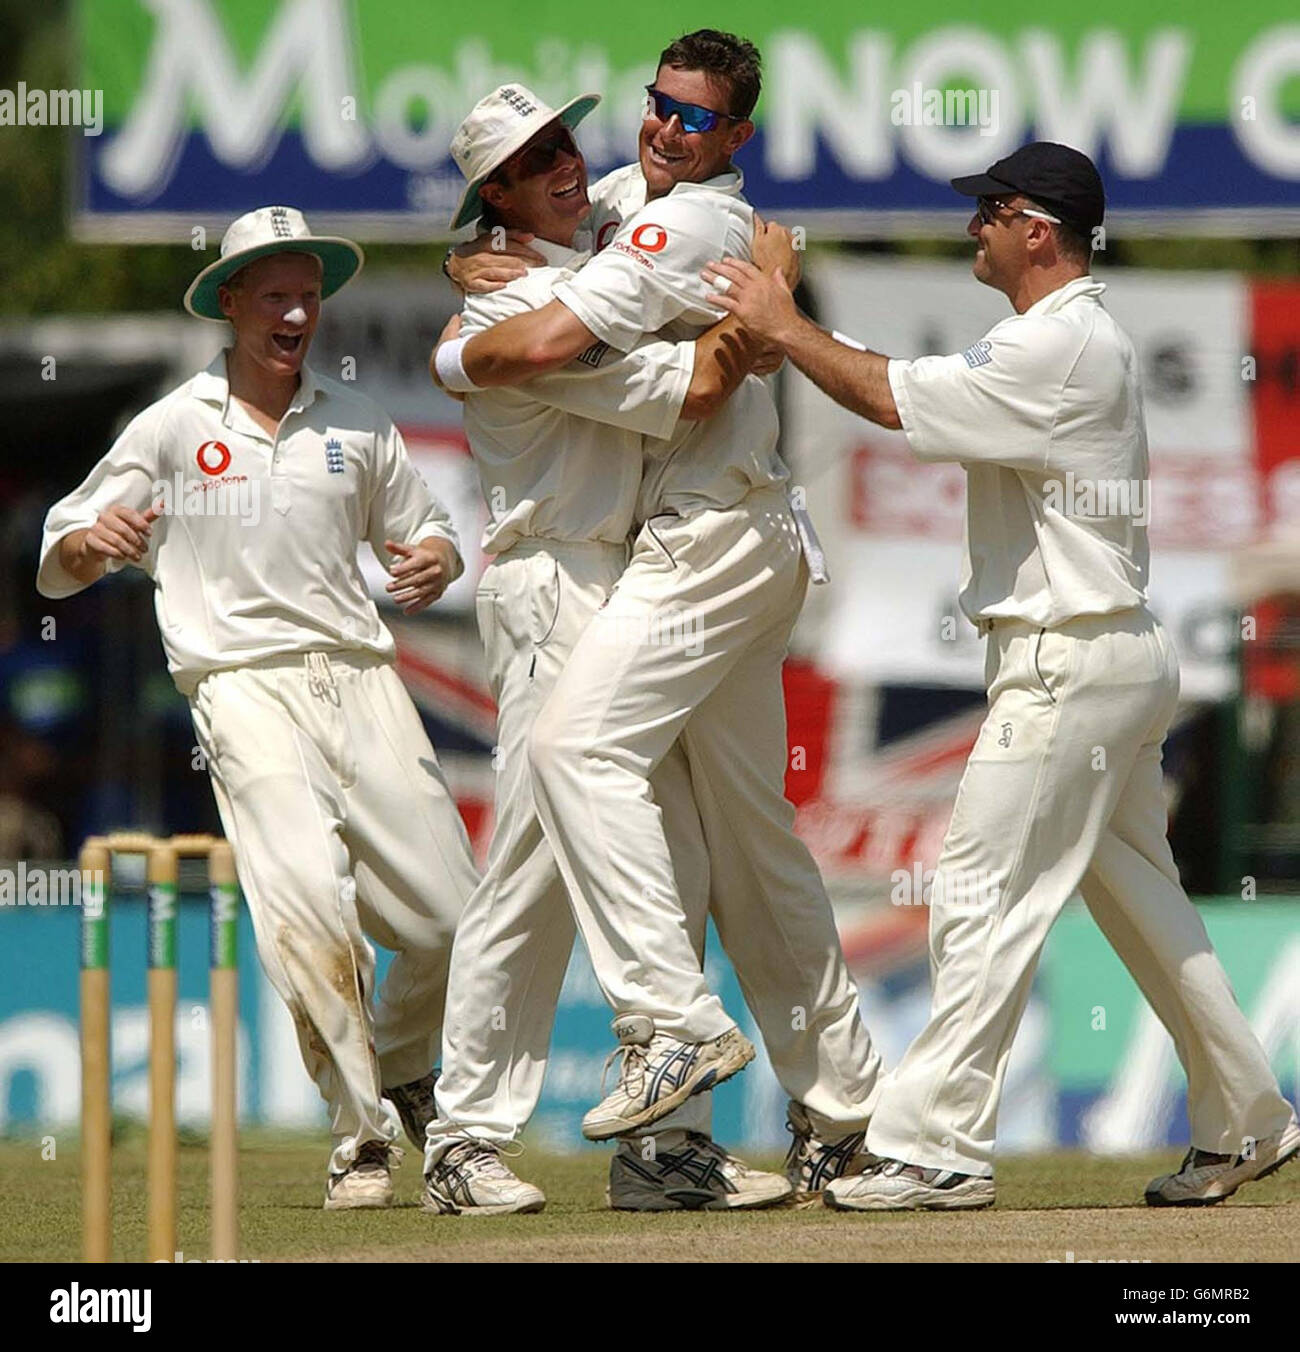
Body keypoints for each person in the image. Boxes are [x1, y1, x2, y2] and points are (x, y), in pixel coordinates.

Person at [705, 141, 1299, 1211]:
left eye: (990, 208)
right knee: (1147, 913)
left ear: (1039, 230)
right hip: (1101, 652)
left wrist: (781, 318)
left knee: (979, 891)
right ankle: (1249, 1115)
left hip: (1068, 661)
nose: (972, 223)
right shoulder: (1053, 337)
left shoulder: (1060, 344)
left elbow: (889, 400)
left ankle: (937, 1144)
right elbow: (905, 393)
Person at [434, 31, 883, 1197]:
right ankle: (486, 1136)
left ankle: (668, 1102)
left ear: (733, 136)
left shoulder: (663, 222)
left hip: (692, 546)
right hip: (577, 571)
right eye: (655, 109)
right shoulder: (613, 223)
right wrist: (475, 286)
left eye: (693, 120)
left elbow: (630, 344)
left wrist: (503, 310)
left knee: (632, 808)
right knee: (647, 848)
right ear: (496, 195)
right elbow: (629, 354)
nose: (647, 138)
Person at [37, 206, 481, 1210]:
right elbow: (62, 546)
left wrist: (434, 557)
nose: (295, 313)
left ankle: (404, 1063)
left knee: (455, 915)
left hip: (360, 677)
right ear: (230, 302)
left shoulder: (356, 419)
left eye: (308, 295)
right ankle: (361, 1137)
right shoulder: (171, 423)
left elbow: (428, 526)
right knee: (306, 903)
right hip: (238, 683)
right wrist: (92, 542)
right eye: (274, 295)